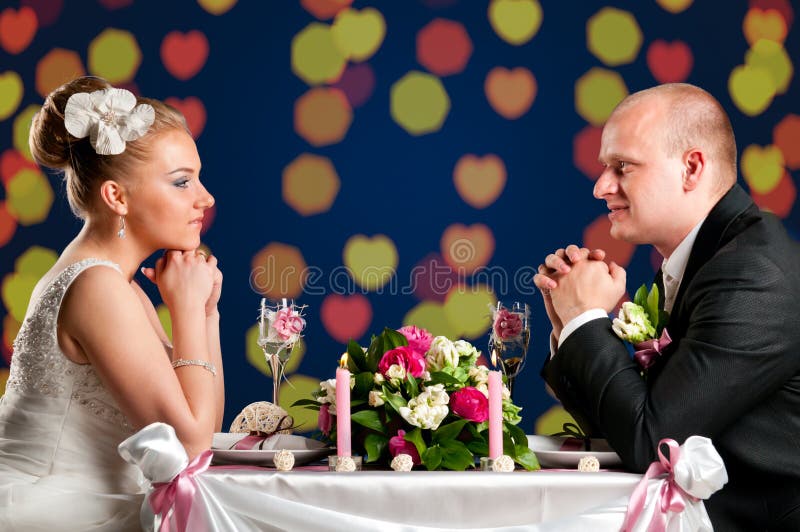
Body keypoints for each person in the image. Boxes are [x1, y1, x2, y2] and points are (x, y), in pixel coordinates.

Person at [534, 83, 800, 530]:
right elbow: (626, 424)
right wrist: (569, 324)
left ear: (691, 168)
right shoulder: (709, 257)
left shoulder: (752, 273)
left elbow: (651, 442)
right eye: (605, 167)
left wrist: (586, 320)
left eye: (623, 167)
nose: (602, 186)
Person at [0, 76, 224, 531]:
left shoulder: (115, 283)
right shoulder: (97, 286)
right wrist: (185, 310)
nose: (206, 198)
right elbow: (192, 445)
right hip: (50, 508)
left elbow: (203, 426)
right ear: (116, 196)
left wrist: (204, 311)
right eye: (182, 182)